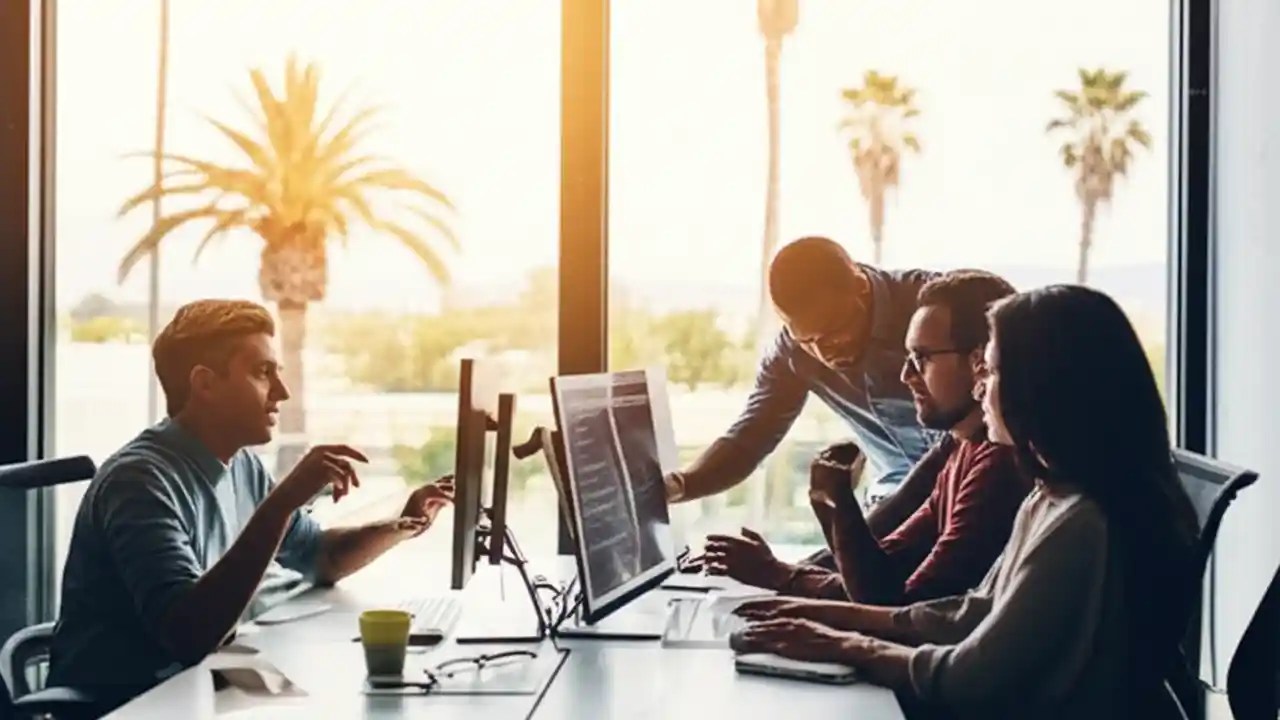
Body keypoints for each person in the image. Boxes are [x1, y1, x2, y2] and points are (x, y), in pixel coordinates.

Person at [732, 285, 1198, 718]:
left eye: (992, 370)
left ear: (1042, 386)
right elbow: (971, 611)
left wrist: (843, 645)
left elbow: (967, 677)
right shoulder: (1049, 496)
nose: (980, 387)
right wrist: (828, 615)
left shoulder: (1082, 521)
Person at [48, 300, 456, 711]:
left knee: (335, 699)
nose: (282, 392)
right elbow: (187, 636)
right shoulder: (139, 481)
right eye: (263, 373)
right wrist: (280, 505)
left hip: (204, 686)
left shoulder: (240, 464)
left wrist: (406, 523)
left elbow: (321, 557)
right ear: (205, 384)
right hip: (129, 704)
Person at [704, 271, 1029, 605]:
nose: (907, 376)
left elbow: (906, 605)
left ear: (980, 361)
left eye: (923, 358)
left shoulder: (1000, 464)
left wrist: (785, 570)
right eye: (909, 358)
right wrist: (828, 508)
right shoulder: (959, 446)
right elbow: (886, 569)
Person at [664, 236, 942, 510]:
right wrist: (680, 485)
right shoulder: (792, 355)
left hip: (971, 495)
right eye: (809, 341)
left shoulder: (934, 304)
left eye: (834, 333)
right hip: (892, 504)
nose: (825, 353)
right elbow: (748, 440)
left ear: (861, 287)